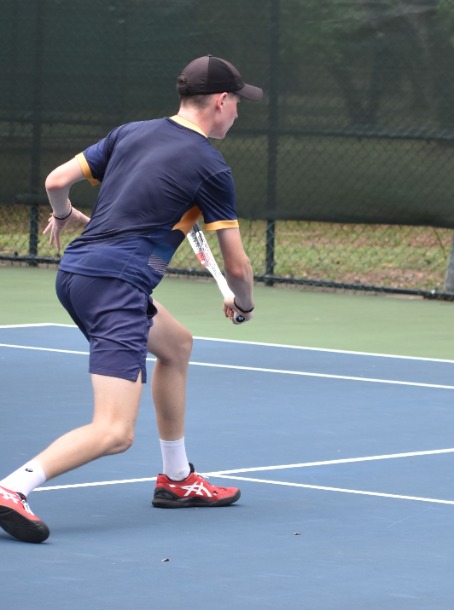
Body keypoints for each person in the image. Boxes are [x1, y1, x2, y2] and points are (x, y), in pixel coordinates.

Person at [0, 55, 262, 543]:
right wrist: (243, 305)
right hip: (116, 285)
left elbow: (56, 181)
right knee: (115, 431)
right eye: (237, 104)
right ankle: (13, 488)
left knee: (176, 345)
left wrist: (65, 215)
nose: (238, 114)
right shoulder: (211, 167)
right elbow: (239, 267)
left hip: (78, 273)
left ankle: (177, 479)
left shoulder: (130, 133)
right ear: (221, 102)